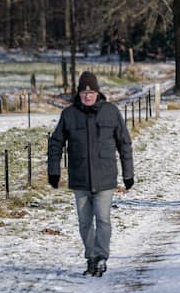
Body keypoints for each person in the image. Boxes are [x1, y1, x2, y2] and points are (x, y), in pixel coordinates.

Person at [47, 71, 135, 276]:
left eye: (92, 92)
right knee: (85, 222)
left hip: (105, 178)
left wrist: (128, 174)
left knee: (103, 219)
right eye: (84, 93)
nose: (88, 96)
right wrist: (54, 171)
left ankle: (102, 257)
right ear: (78, 94)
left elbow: (125, 144)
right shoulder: (68, 114)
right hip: (80, 179)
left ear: (97, 93)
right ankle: (91, 258)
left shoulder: (111, 112)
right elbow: (56, 144)